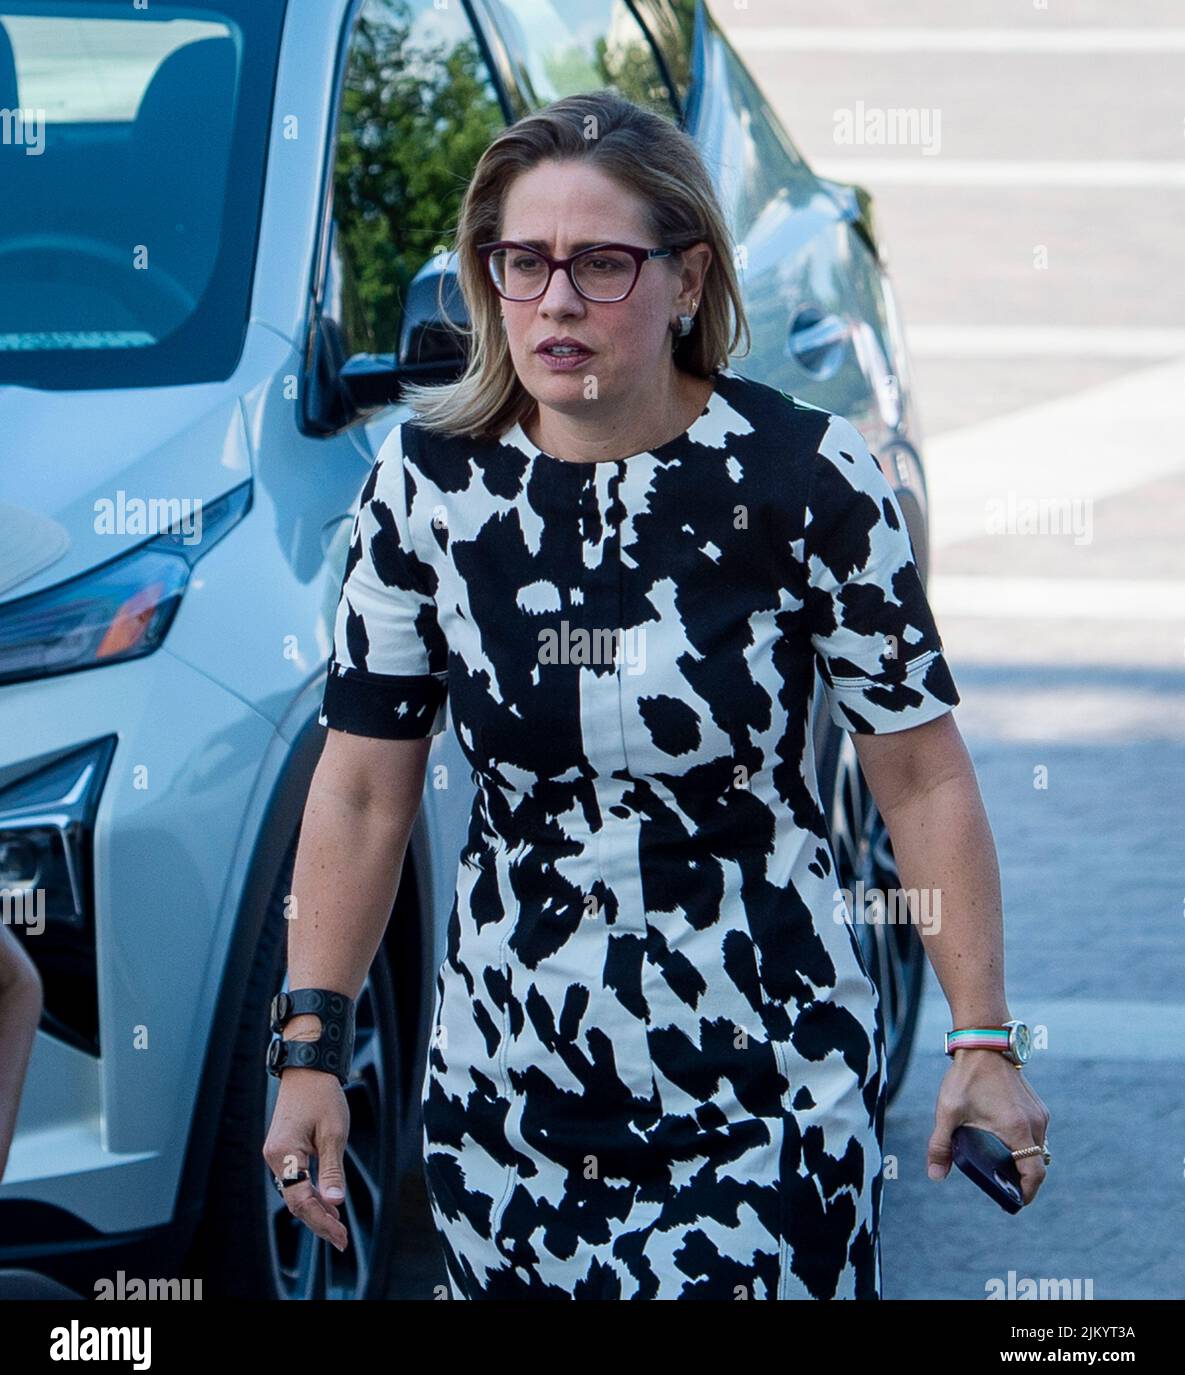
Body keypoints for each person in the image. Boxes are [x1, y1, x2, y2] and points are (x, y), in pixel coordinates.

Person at [263, 90, 1050, 1300]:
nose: (556, 301)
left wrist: (983, 1033)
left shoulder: (804, 474)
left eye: (600, 264)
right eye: (521, 263)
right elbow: (366, 786)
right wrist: (310, 1046)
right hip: (510, 1103)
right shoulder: (425, 488)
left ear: (687, 281)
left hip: (770, 1096)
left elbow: (921, 769)